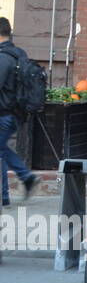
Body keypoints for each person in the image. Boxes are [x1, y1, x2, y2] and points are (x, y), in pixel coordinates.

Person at [0, 17, 37, 207]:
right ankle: (25, 178)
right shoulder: (19, 54)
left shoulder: (2, 57)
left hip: (3, 114)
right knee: (2, 149)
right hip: (16, 114)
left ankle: (5, 195)